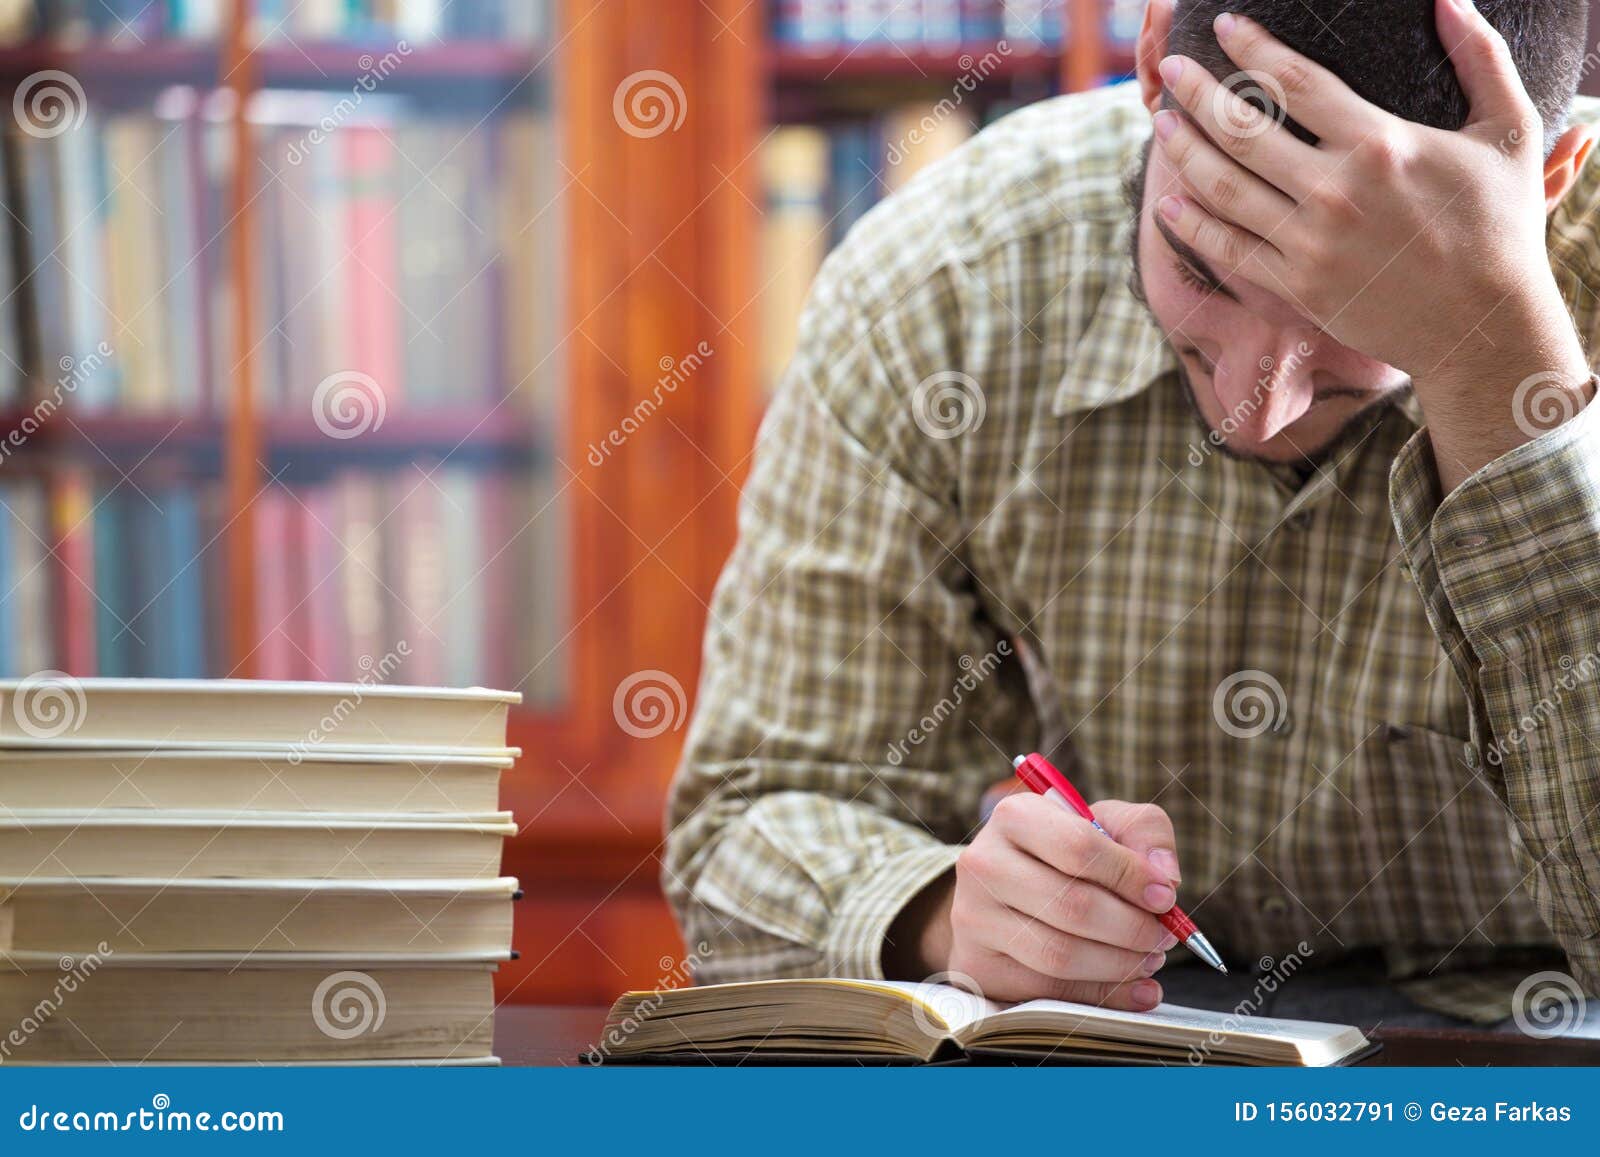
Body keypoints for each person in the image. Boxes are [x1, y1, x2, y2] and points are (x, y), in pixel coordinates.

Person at [664, 0, 1600, 1028]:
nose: (1262, 402)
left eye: (1354, 313)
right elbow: (743, 828)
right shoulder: (952, 286)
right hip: (1140, 1029)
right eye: (1205, 267)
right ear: (1155, 67)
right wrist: (945, 915)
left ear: (1546, 180)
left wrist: (1498, 364)